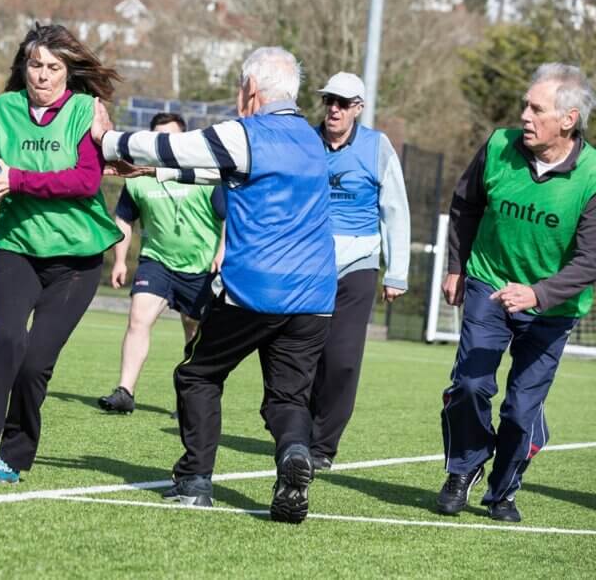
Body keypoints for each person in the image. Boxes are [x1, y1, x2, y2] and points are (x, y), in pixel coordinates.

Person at [97, 47, 336, 524]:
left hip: (255, 290)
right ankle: (294, 453)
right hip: (314, 295)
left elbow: (177, 148)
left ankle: (194, 480)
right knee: (288, 397)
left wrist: (108, 141)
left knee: (198, 375)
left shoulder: (247, 132)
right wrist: (150, 172)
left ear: (250, 91)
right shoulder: (312, 142)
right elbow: (221, 170)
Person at [0, 23, 123, 484]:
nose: (42, 75)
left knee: (34, 362)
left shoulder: (87, 110)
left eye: (53, 67)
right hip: (16, 246)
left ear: (68, 72)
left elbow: (85, 181)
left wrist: (16, 180)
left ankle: (16, 451)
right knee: (6, 337)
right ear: (23, 67)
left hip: (77, 260)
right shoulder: (2, 109)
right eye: (34, 65)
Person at [437, 63, 596, 523]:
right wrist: (456, 267)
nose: (524, 115)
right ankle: (462, 469)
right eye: (524, 105)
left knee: (522, 410)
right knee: (468, 385)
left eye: (536, 108)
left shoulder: (591, 176)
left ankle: (502, 491)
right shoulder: (498, 145)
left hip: (552, 308)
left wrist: (539, 294)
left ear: (568, 119)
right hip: (488, 284)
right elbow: (465, 205)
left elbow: (589, 260)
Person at [307, 72, 410, 472]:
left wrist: (397, 272)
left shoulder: (376, 146)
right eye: (329, 100)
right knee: (302, 353)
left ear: (358, 108)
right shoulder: (305, 140)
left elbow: (395, 209)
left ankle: (323, 447)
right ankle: (295, 428)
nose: (334, 108)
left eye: (343, 102)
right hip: (306, 262)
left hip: (358, 264)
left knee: (343, 359)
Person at [98, 112, 226, 414]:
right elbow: (124, 220)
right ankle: (125, 391)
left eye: (170, 137)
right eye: (158, 138)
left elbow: (231, 218)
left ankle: (192, 398)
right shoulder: (140, 178)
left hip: (200, 267)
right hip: (156, 262)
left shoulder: (205, 175)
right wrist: (120, 261)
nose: (164, 143)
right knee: (138, 318)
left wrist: (223, 252)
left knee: (194, 332)